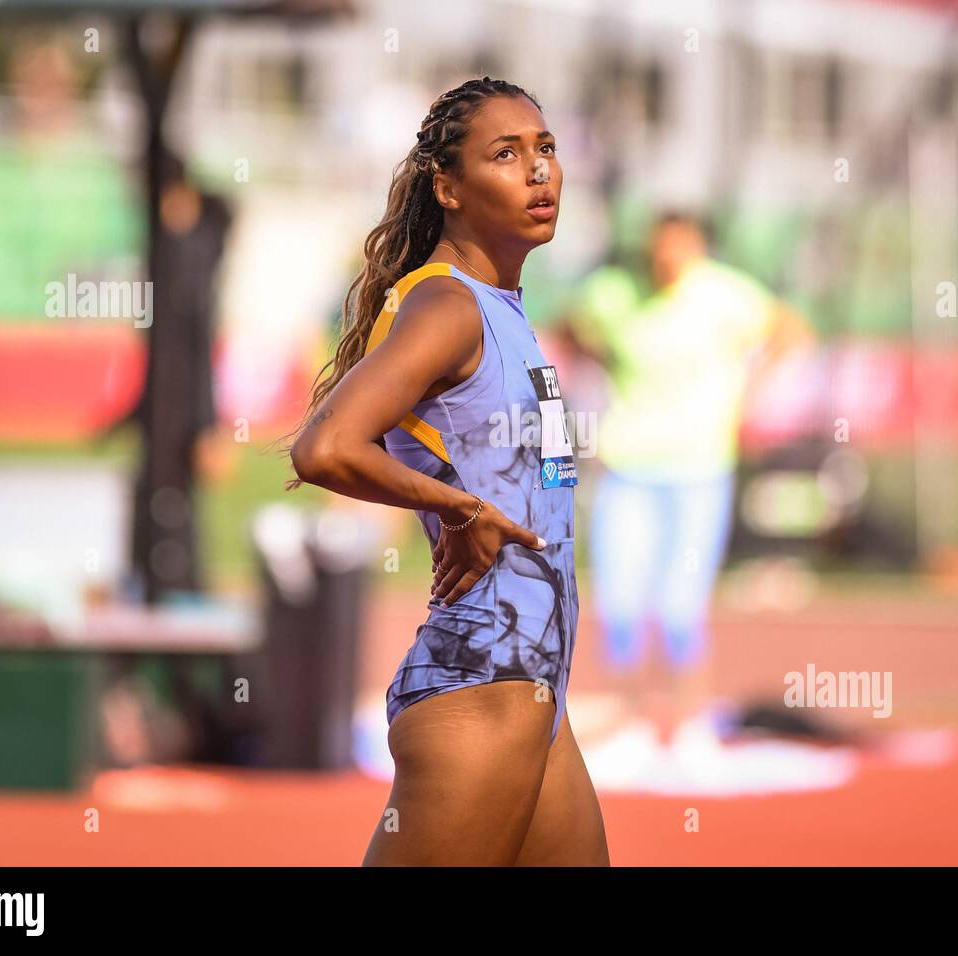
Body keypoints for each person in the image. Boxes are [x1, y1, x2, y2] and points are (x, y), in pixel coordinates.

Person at [285, 77, 608, 866]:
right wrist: (458, 509)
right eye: (505, 155)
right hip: (479, 690)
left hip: (536, 697)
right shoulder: (449, 309)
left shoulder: (502, 307)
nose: (539, 172)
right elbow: (323, 447)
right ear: (448, 188)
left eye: (546, 149)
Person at [565, 211, 814, 774]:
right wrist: (599, 375)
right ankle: (630, 721)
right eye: (662, 252)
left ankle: (691, 723)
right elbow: (572, 327)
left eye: (681, 252)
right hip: (628, 467)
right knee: (622, 603)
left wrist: (749, 398)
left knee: (679, 606)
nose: (669, 263)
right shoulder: (614, 293)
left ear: (698, 250)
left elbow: (792, 330)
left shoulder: (725, 296)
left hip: (699, 469)